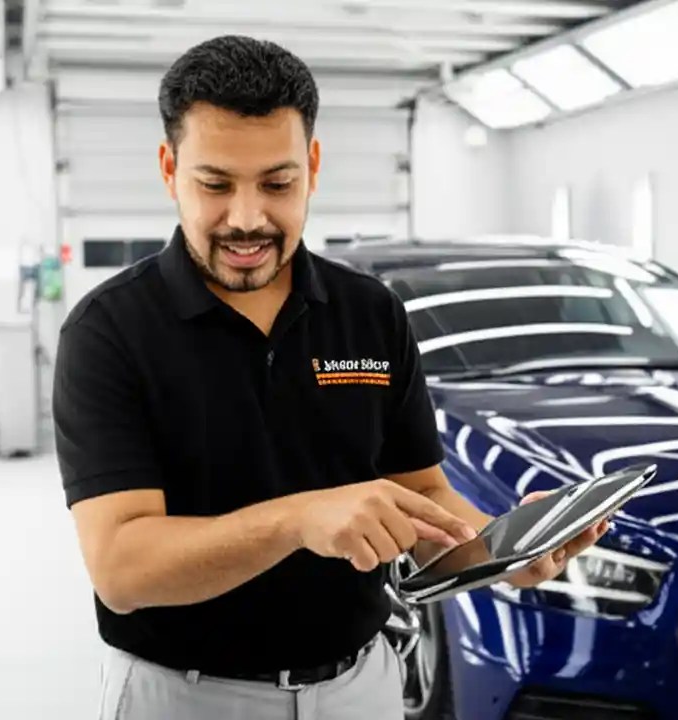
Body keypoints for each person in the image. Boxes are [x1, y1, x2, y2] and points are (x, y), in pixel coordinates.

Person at [53, 35, 608, 720]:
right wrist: (298, 520)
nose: (248, 218)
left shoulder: (371, 314)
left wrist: (502, 550)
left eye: (278, 184)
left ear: (312, 167)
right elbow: (122, 568)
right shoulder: (109, 332)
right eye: (215, 184)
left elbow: (422, 493)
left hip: (361, 687)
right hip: (185, 696)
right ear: (170, 170)